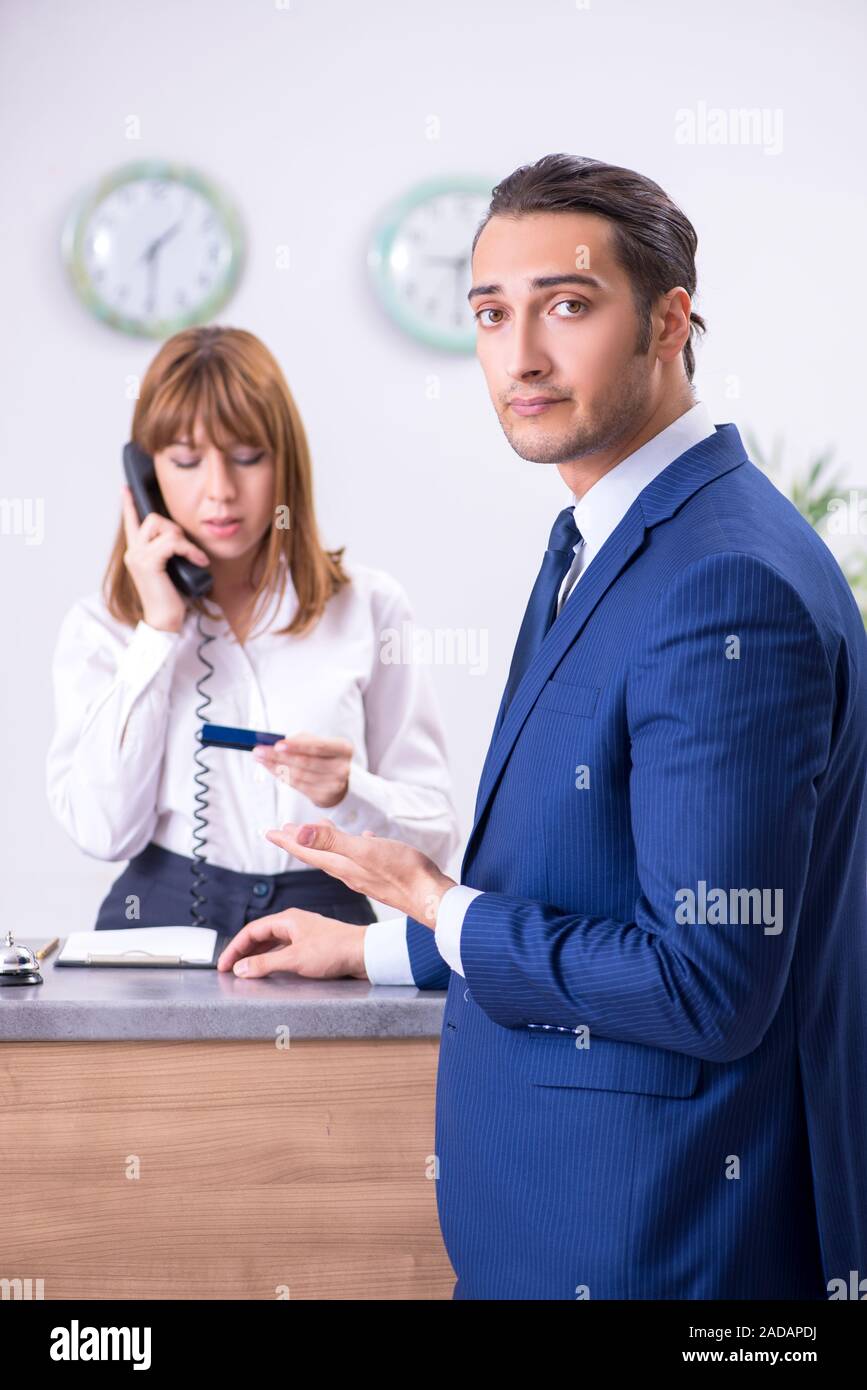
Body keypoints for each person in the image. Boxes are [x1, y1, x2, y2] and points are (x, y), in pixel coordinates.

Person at [218, 155, 867, 1300]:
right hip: (577, 1231)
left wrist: (438, 903)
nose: (519, 355)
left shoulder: (725, 584)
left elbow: (705, 979)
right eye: (490, 313)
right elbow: (596, 881)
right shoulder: (604, 533)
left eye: (567, 306)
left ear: (671, 320)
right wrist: (382, 944)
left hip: (654, 1245)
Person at [46, 326, 459, 957]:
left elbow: (435, 840)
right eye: (185, 462)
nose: (219, 490)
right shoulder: (103, 628)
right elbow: (103, 833)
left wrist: (350, 791)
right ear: (145, 476)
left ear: (284, 461)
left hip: (328, 922)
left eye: (246, 456)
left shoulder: (369, 608)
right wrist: (158, 632)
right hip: (157, 926)